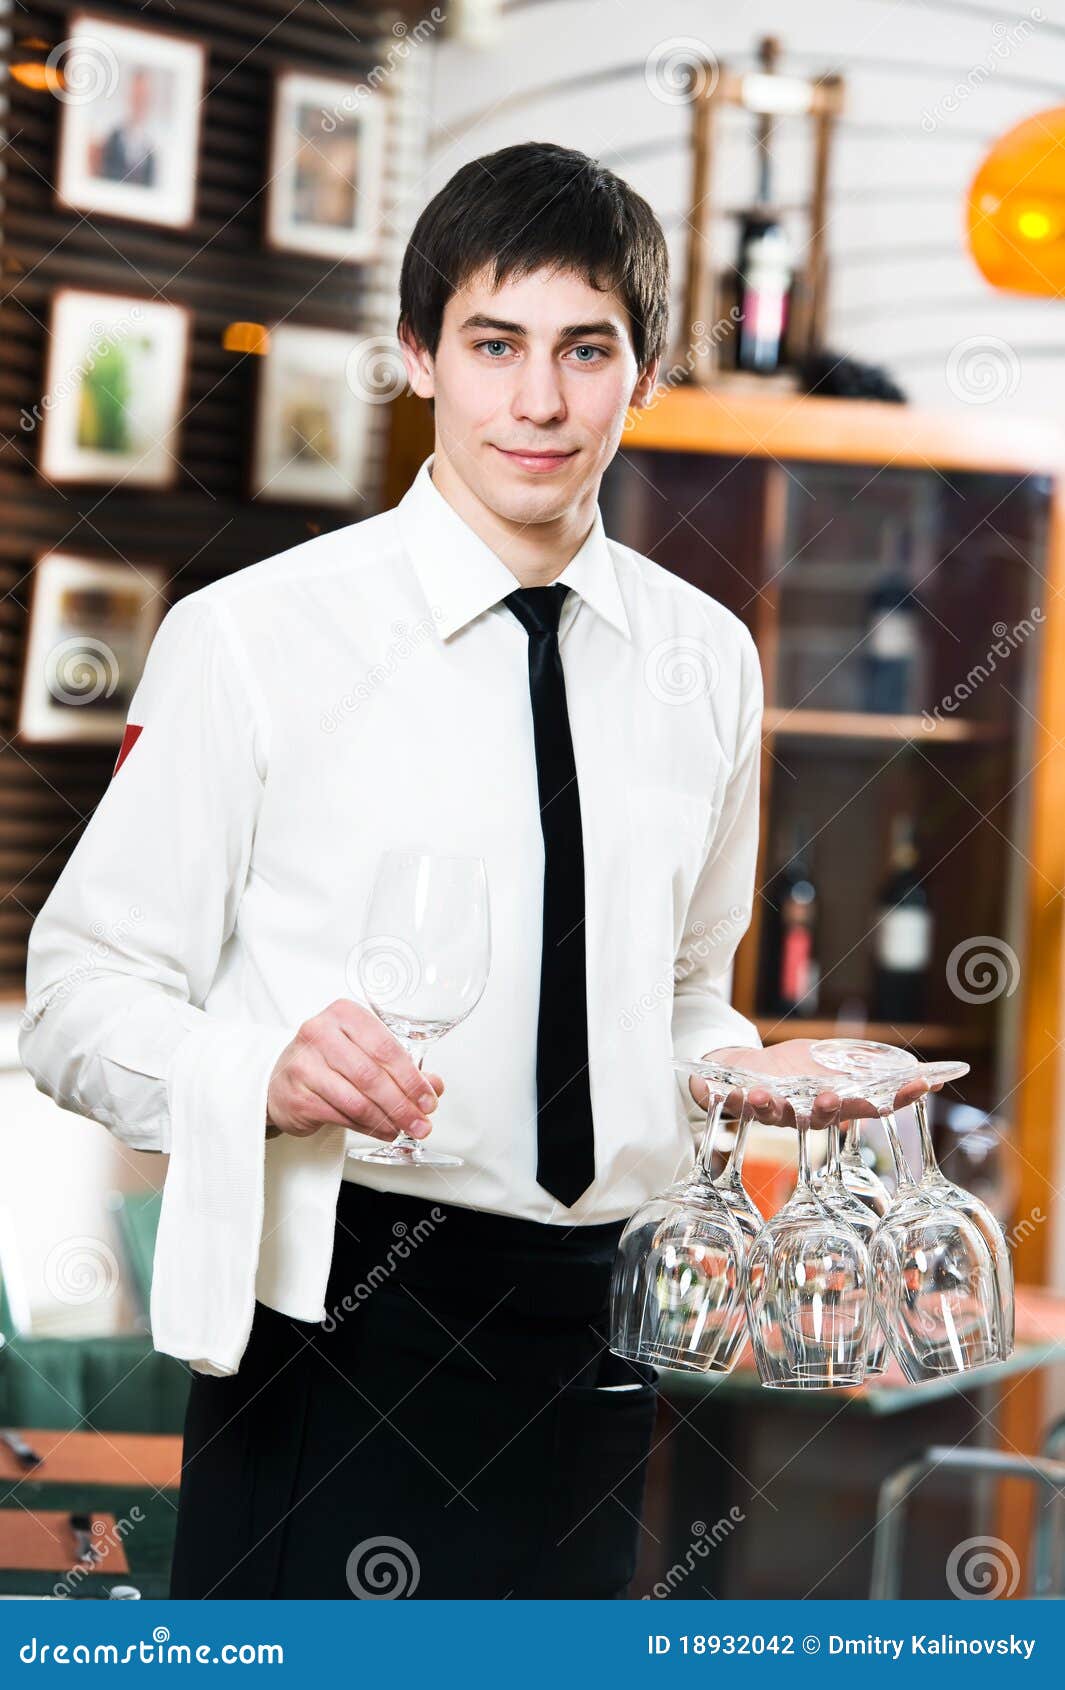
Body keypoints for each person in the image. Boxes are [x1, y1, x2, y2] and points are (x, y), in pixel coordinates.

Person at [18, 140, 929, 1600]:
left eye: (588, 349)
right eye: (495, 345)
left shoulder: (707, 659)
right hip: (343, 1311)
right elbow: (76, 996)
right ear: (417, 358)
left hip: (617, 1330)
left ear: (642, 372)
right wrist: (262, 1069)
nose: (541, 400)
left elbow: (686, 990)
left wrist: (751, 1077)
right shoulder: (253, 637)